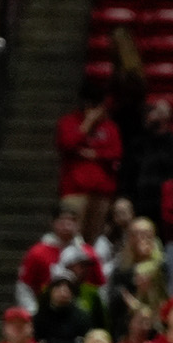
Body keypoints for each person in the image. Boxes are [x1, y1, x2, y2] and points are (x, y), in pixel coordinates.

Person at [57, 84, 123, 242]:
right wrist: (87, 123)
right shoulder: (69, 122)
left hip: (101, 192)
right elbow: (67, 144)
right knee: (71, 238)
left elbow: (116, 153)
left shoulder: (109, 127)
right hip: (74, 190)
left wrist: (95, 154)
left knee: (92, 240)